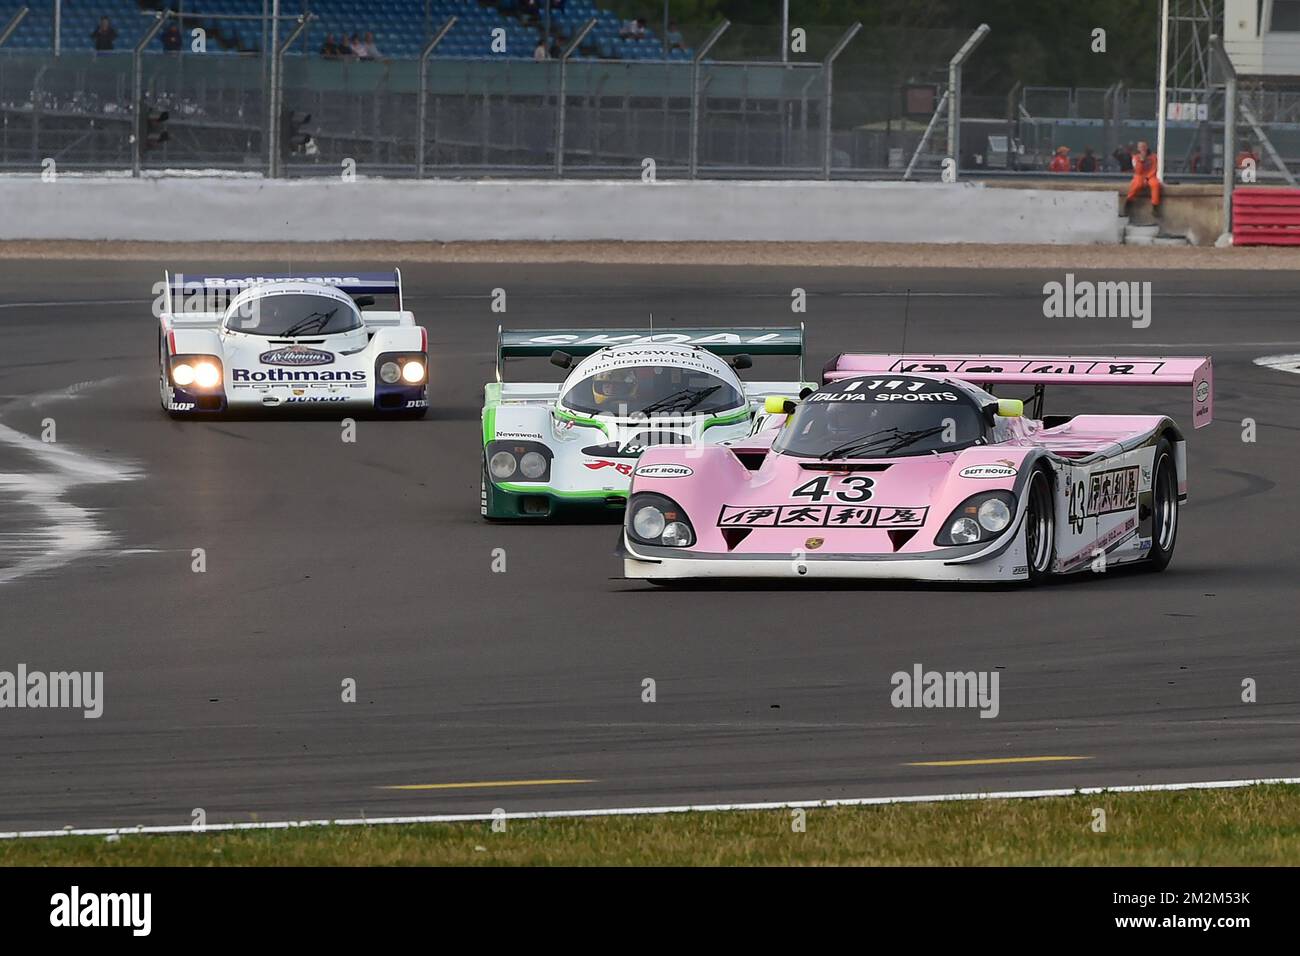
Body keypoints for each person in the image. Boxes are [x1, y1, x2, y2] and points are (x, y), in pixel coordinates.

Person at [1126, 140, 1161, 209]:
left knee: (1155, 184)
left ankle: (1155, 205)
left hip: (1150, 176)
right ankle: (1128, 201)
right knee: (1137, 184)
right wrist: (1141, 161)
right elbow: (1137, 170)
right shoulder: (1135, 157)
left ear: (1147, 147)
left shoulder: (1153, 156)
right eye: (1141, 147)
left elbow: (1154, 168)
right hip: (1139, 175)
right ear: (1138, 148)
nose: (1143, 149)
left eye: (1144, 147)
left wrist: (1147, 178)